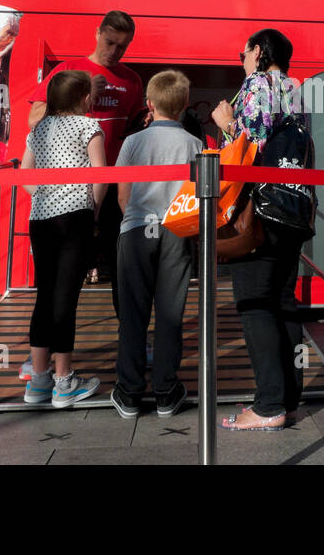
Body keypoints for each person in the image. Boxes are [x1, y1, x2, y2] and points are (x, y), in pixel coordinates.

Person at [211, 29, 312, 431]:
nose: (242, 60)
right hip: (293, 206)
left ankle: (268, 405)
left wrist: (225, 123)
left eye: (243, 53)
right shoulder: (298, 88)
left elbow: (247, 148)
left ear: (257, 51)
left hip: (260, 211)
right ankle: (287, 398)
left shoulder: (257, 83)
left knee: (254, 302)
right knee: (283, 301)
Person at [27, 11, 145, 313]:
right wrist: (84, 92)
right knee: (63, 272)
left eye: (123, 46)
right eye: (110, 43)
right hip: (69, 189)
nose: (114, 51)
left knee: (123, 262)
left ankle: (129, 336)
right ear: (97, 33)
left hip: (114, 185)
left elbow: (132, 132)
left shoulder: (132, 80)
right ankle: (51, 346)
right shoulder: (69, 69)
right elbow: (33, 119)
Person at [111, 70, 203, 419]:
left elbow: (123, 194)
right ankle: (165, 391)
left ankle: (130, 392)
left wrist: (137, 218)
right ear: (183, 105)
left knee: (133, 314)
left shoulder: (133, 142)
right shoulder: (194, 144)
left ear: (149, 103)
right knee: (170, 314)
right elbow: (196, 197)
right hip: (176, 230)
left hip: (136, 228)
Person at [19, 70, 106, 408]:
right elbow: (100, 176)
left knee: (45, 294)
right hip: (75, 217)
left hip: (40, 219)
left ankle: (39, 380)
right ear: (84, 98)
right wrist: (92, 212)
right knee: (65, 297)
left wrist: (44, 193)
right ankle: (64, 381)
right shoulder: (89, 127)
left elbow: (25, 175)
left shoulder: (38, 129)